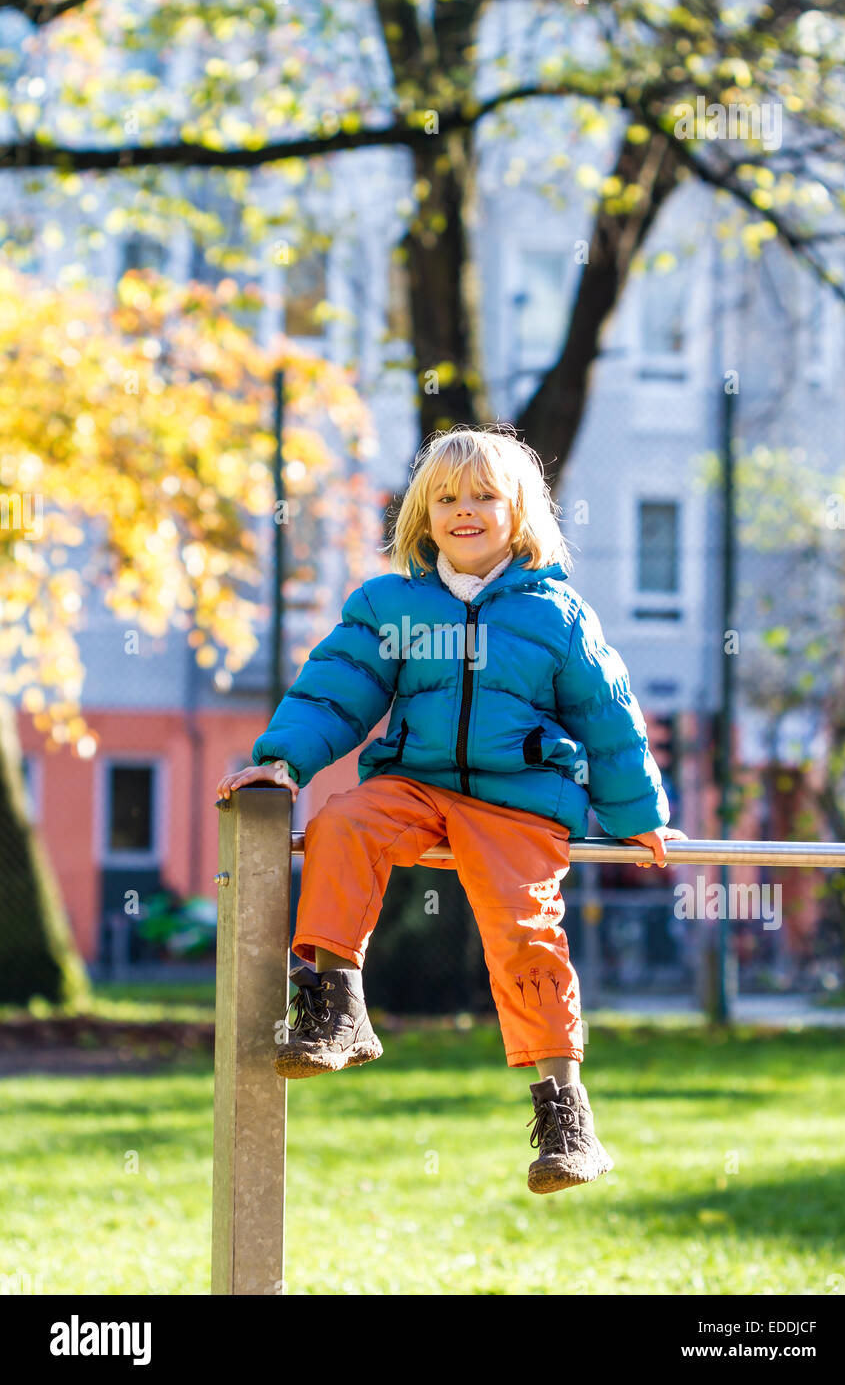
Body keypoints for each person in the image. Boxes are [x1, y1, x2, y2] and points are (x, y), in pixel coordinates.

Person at [216, 424, 687, 1195]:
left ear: (520, 513)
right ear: (421, 515)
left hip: (518, 800)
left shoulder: (555, 615)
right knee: (343, 822)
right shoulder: (391, 604)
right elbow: (337, 688)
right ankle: (336, 1004)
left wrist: (635, 811)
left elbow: (609, 713)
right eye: (445, 498)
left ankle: (564, 1107)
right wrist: (282, 760)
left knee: (522, 928)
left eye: (484, 497)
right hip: (418, 784)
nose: (463, 510)